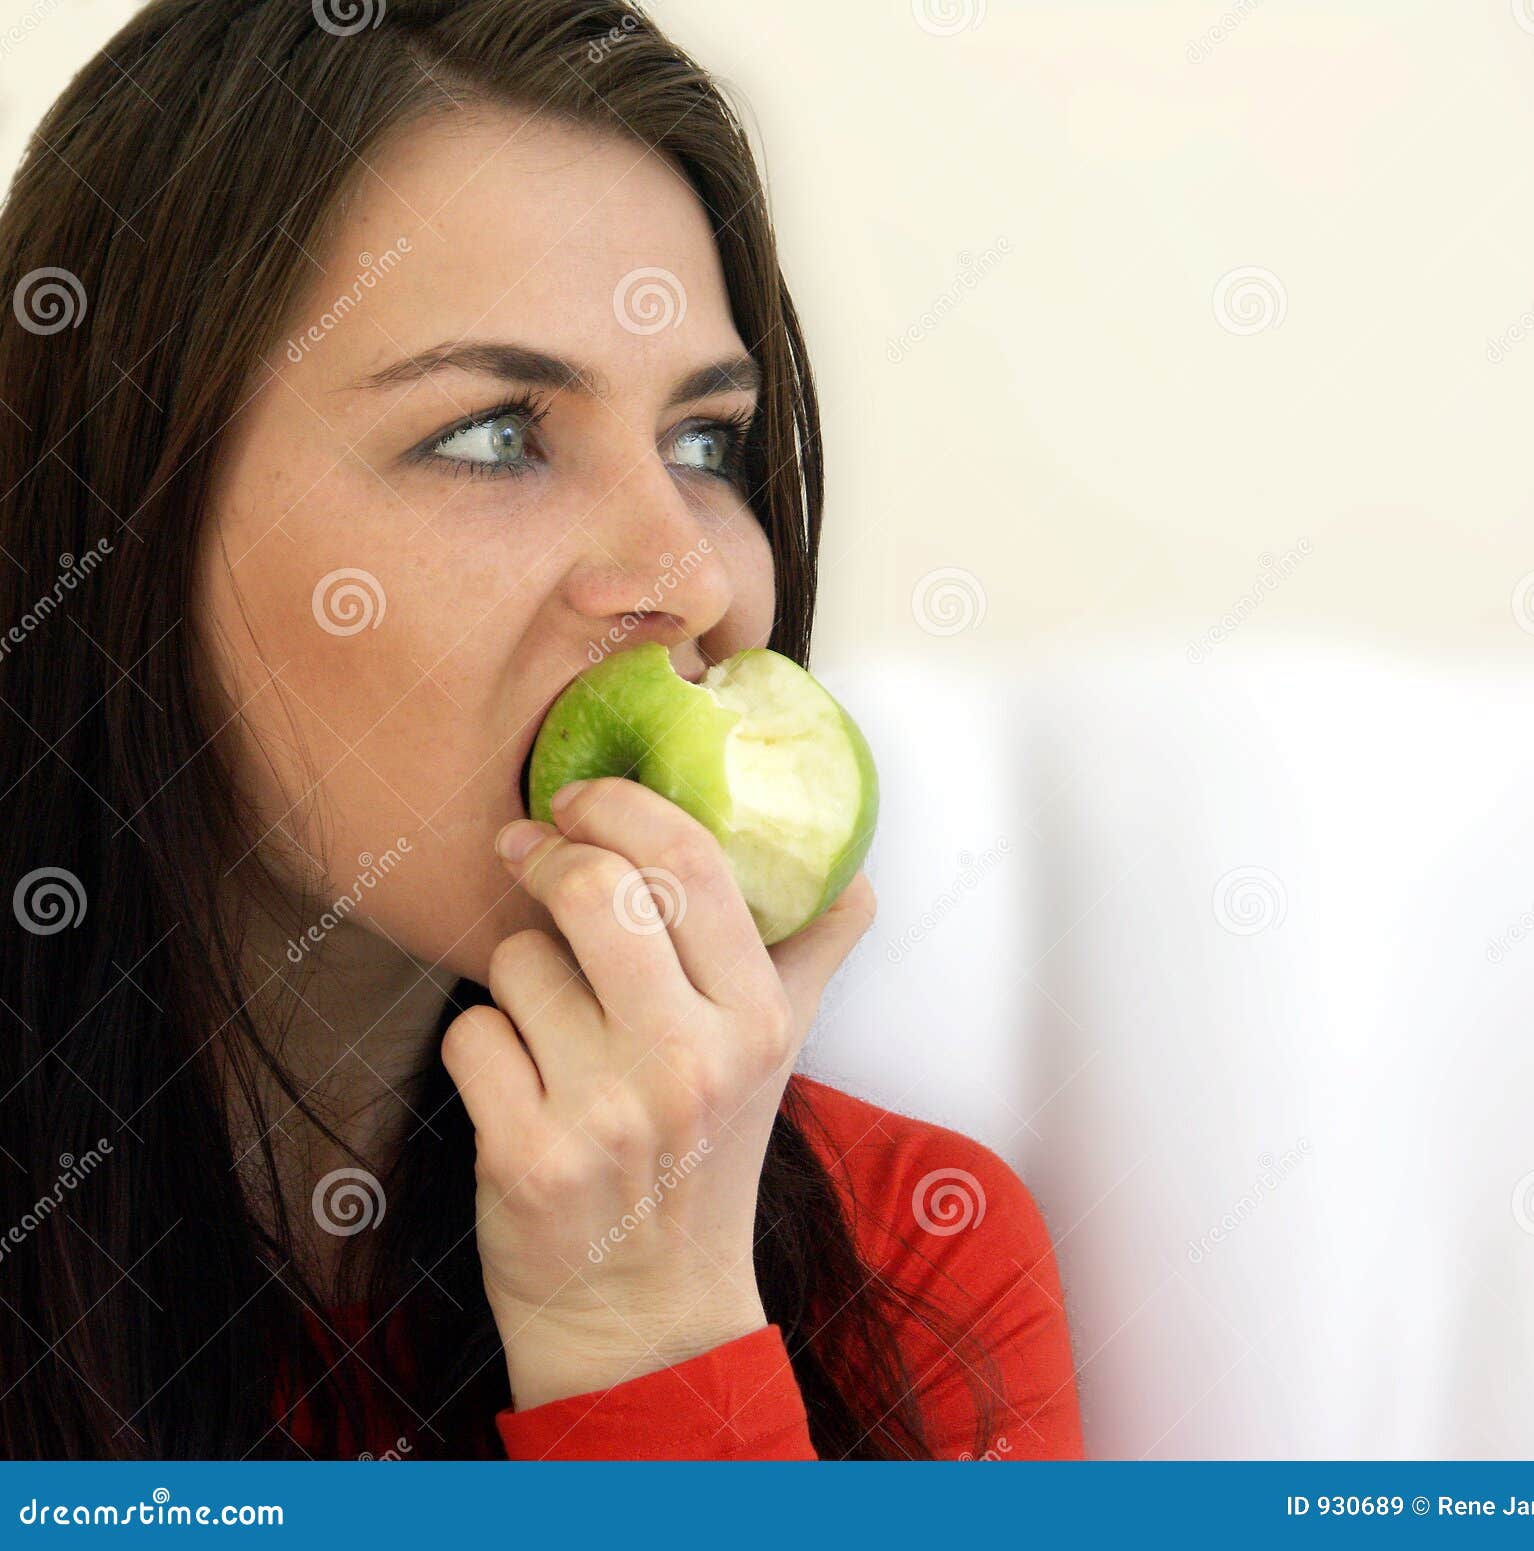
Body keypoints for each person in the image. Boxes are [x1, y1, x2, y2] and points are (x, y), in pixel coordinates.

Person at [0, 0, 1082, 1460]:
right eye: (496, 432)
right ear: (126, 514)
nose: (691, 578)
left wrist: (646, 1337)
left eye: (705, 443)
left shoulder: (910, 1271)